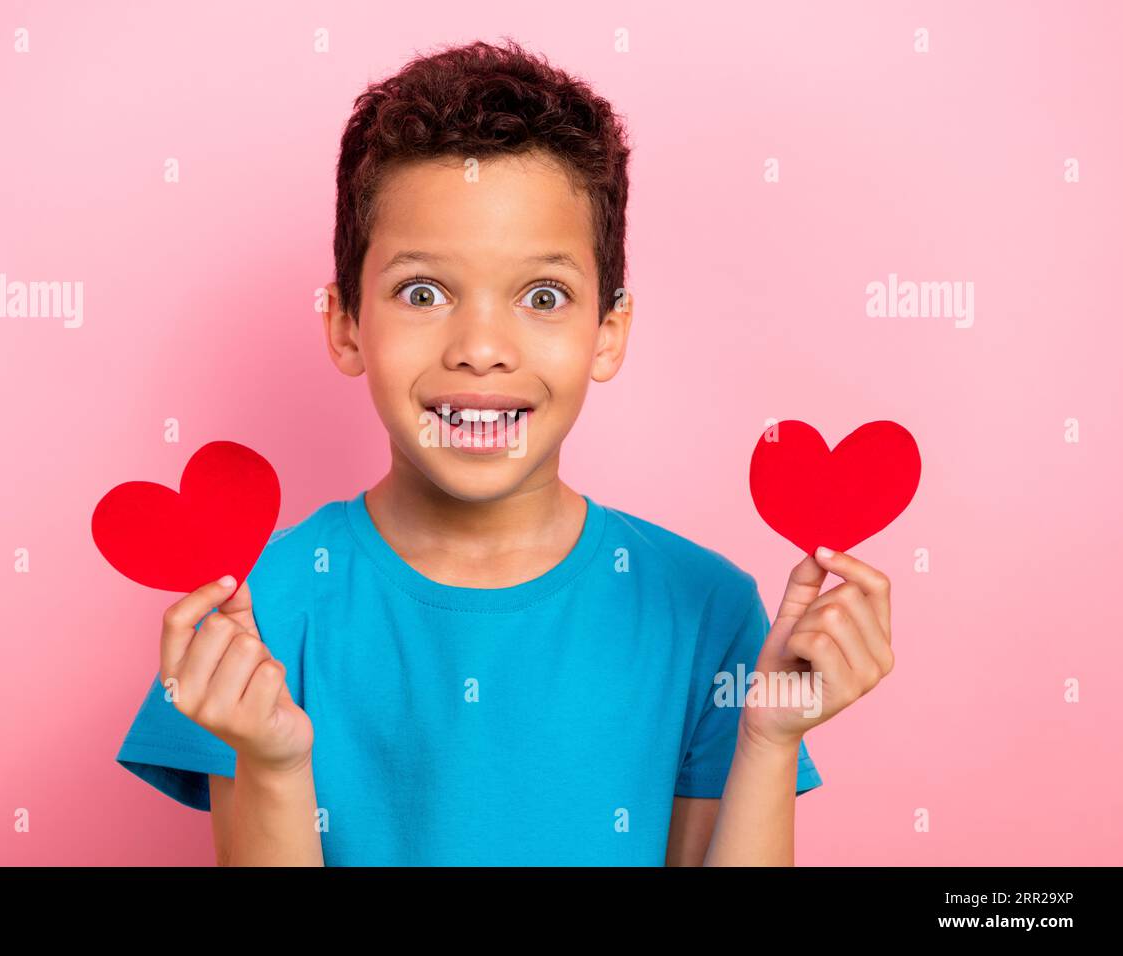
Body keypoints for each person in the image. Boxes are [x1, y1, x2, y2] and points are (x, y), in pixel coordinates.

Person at [116, 38, 894, 866]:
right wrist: (274, 764)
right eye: (424, 292)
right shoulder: (261, 604)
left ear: (607, 332)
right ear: (346, 325)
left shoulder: (705, 610)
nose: (481, 347)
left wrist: (769, 741)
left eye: (542, 296)